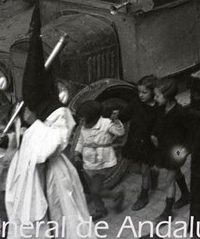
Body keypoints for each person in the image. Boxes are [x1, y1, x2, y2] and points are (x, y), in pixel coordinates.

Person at [4, 6, 95, 239]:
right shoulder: (33, 110)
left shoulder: (59, 114)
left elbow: (49, 147)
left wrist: (33, 125)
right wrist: (17, 131)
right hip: (29, 173)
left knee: (62, 215)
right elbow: (21, 142)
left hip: (54, 173)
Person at [73, 99, 126, 220]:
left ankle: (116, 195)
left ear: (92, 117)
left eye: (83, 118)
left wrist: (115, 121)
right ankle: (100, 209)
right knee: (93, 188)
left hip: (102, 161)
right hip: (88, 161)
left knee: (95, 189)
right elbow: (81, 140)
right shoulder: (84, 125)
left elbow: (120, 132)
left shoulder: (105, 123)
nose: (81, 121)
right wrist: (77, 153)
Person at [119, 74, 160, 211]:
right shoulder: (136, 103)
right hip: (136, 140)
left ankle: (144, 195)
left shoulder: (158, 107)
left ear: (153, 92)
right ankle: (152, 173)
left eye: (144, 92)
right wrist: (116, 116)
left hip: (148, 143)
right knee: (137, 167)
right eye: (139, 92)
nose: (140, 95)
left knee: (144, 169)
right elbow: (125, 115)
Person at [151, 78, 190, 222]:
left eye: (157, 96)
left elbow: (190, 133)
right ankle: (186, 195)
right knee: (176, 172)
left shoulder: (180, 112)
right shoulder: (160, 108)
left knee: (169, 179)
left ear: (167, 96)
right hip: (164, 149)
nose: (155, 98)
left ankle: (167, 213)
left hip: (177, 151)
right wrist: (154, 134)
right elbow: (158, 123)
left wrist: (185, 150)